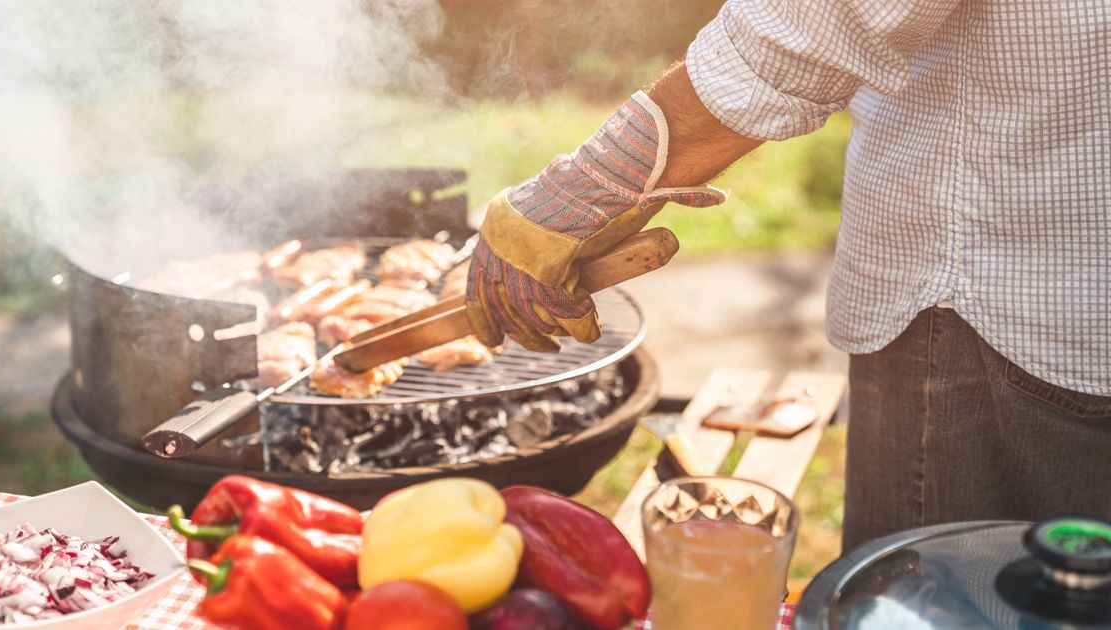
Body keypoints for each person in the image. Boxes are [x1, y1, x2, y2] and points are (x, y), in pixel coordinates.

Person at [463, 0, 1110, 551]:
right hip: (1074, 301)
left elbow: (815, 22)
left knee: (948, 600)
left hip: (994, 308)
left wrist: (583, 190)